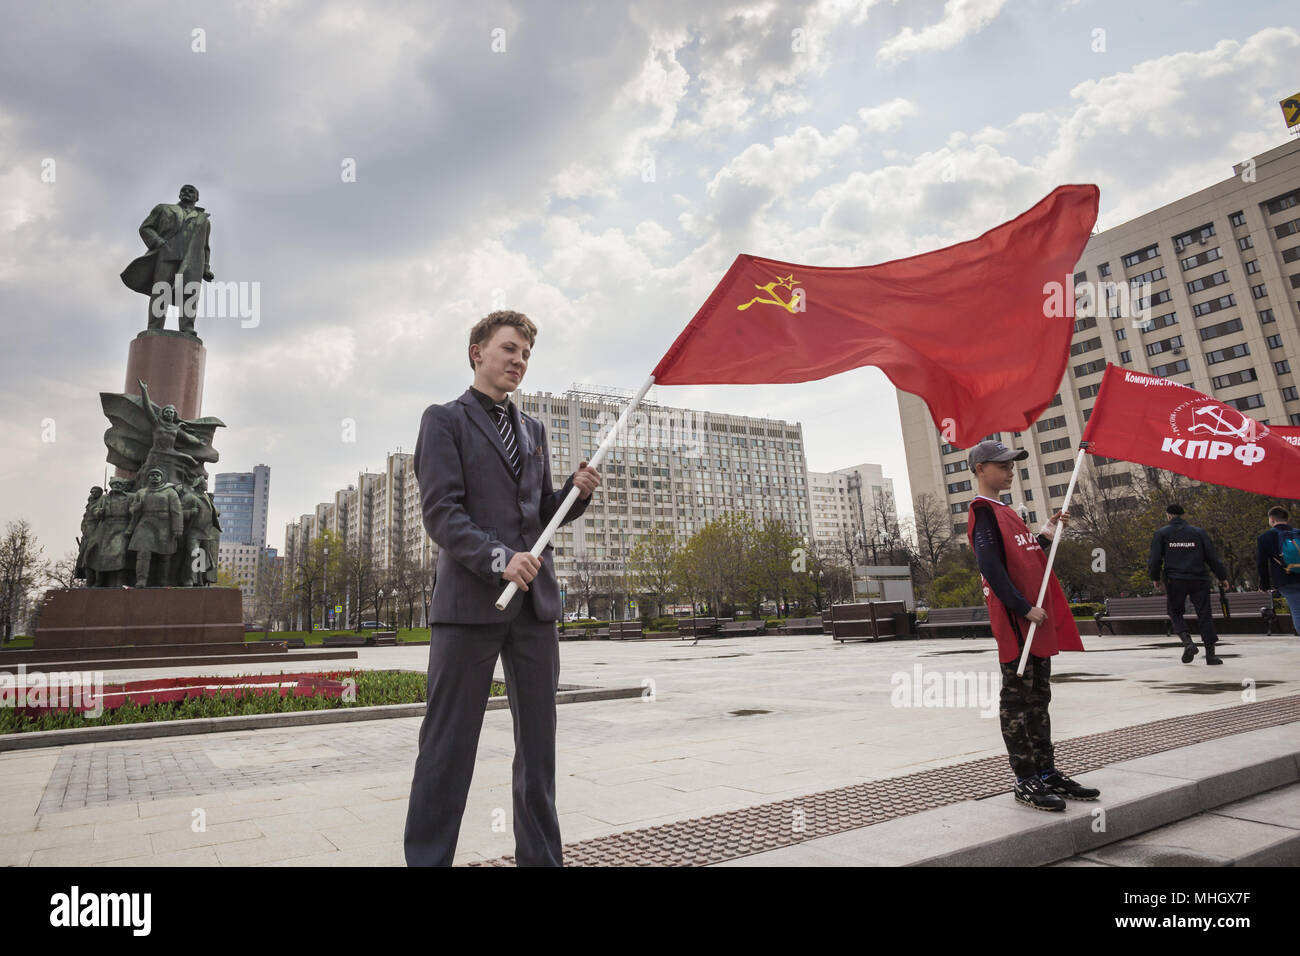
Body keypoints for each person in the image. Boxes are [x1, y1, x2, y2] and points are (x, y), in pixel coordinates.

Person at [404, 310, 601, 867]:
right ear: (477, 352)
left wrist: (574, 494)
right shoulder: (443, 420)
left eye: (526, 355)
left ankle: (541, 860)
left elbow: (538, 517)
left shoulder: (533, 430)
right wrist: (499, 560)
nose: (519, 361)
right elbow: (442, 514)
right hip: (470, 605)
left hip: (535, 609)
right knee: (447, 748)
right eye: (510, 349)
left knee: (538, 751)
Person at [965, 439, 1099, 812]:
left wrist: (1045, 534)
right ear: (981, 470)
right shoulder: (984, 511)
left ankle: (1047, 772)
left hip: (1034, 623)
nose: (1010, 472)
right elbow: (990, 567)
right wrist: (1023, 608)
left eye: (1012, 466)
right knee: (1017, 700)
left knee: (1040, 698)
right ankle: (1025, 780)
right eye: (1003, 466)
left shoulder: (1007, 511)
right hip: (1018, 624)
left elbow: (1026, 557)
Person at [1147, 503, 1229, 665]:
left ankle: (1188, 642)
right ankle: (1211, 655)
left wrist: (1155, 577)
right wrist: (1222, 576)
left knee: (1175, 611)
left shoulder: (1161, 533)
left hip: (1175, 579)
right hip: (1199, 578)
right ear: (1182, 515)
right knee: (1204, 614)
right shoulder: (1198, 533)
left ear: (1168, 515)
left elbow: (1155, 559)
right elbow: (1212, 557)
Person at [1257, 505, 1300, 635]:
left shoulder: (1265, 537)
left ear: (1272, 520)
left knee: (1297, 610)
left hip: (1285, 579)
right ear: (1287, 519)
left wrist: (1264, 585)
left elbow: (1262, 564)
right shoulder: (1298, 533)